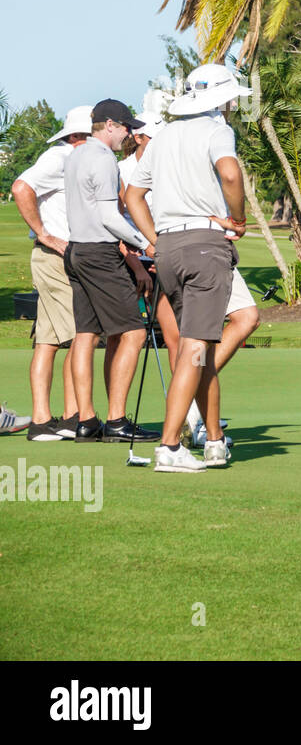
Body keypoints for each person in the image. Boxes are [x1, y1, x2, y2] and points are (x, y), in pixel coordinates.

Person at [125, 64, 250, 472]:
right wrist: (238, 217)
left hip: (170, 250)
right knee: (196, 350)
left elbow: (133, 196)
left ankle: (214, 441)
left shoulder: (163, 137)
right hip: (205, 247)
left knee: (203, 344)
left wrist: (156, 240)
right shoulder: (217, 130)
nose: (234, 104)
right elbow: (230, 173)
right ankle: (170, 445)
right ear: (220, 99)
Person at [63, 99, 159, 445]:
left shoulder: (75, 155)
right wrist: (147, 244)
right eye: (125, 127)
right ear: (108, 125)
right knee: (133, 333)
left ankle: (87, 420)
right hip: (100, 253)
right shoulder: (103, 159)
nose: (130, 134)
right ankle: (117, 421)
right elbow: (108, 216)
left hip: (76, 251)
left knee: (87, 335)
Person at [10, 105, 93, 441]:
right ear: (77, 136)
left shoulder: (74, 161)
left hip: (58, 257)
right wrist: (43, 232)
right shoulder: (58, 158)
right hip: (55, 256)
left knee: (48, 340)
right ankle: (72, 417)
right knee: (79, 336)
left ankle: (44, 420)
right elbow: (20, 188)